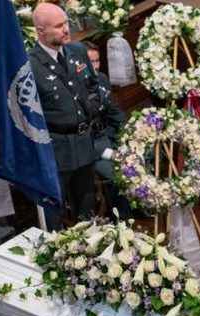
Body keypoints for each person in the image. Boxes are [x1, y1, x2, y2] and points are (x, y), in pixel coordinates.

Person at [29, 3, 101, 230]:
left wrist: (93, 109)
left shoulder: (78, 51)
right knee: (54, 213)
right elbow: (29, 113)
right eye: (58, 26)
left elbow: (92, 86)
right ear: (41, 31)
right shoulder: (30, 64)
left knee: (87, 209)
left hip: (84, 143)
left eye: (66, 23)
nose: (66, 30)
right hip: (56, 149)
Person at [83, 40, 131, 221]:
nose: (95, 66)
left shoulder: (101, 79)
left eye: (97, 61)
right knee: (115, 174)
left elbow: (113, 111)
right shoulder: (76, 88)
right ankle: (124, 221)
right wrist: (109, 153)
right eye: (90, 62)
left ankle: (142, 205)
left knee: (141, 154)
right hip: (92, 146)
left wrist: (130, 133)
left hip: (108, 133)